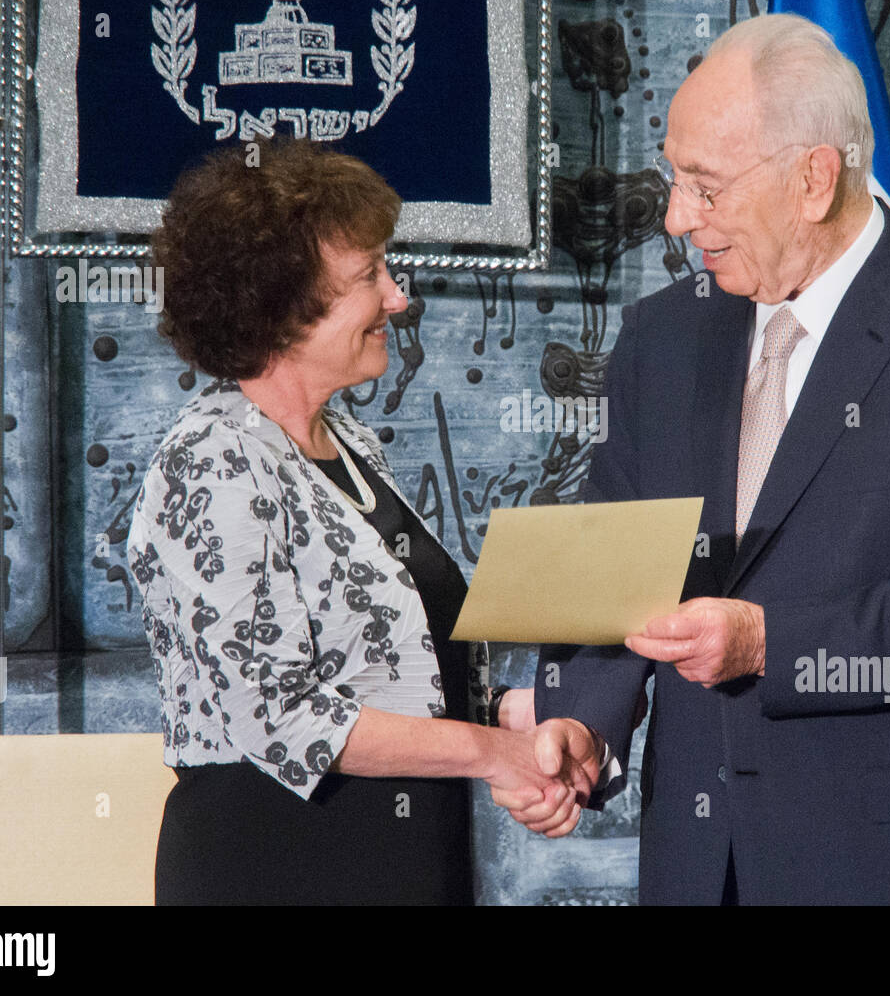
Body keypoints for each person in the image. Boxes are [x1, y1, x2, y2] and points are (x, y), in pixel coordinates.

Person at [495, 13, 890, 905]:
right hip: (696, 867)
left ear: (813, 179)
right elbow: (613, 572)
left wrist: (769, 642)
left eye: (705, 187)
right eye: (674, 181)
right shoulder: (661, 337)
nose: (678, 219)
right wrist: (582, 723)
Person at [127, 139, 584, 905]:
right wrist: (493, 753)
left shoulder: (351, 445)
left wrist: (530, 723)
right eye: (369, 275)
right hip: (280, 872)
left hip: (411, 866)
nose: (398, 296)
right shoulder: (210, 462)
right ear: (281, 310)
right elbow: (279, 713)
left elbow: (401, 672)